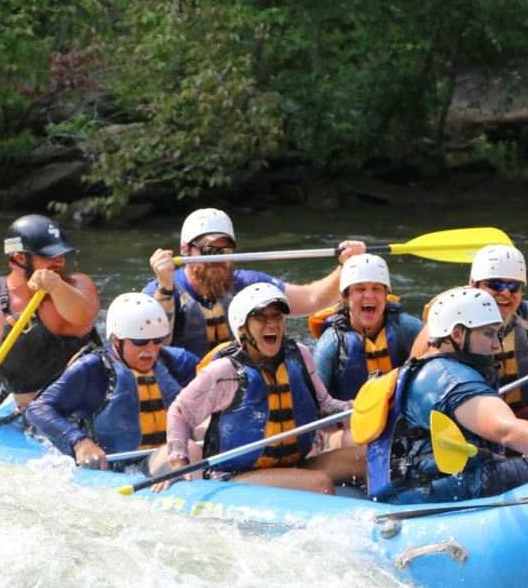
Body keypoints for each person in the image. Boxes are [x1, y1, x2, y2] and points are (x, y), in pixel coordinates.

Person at [357, 287, 528, 505]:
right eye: (489, 334)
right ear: (457, 335)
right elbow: (506, 431)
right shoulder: (449, 377)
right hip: (448, 490)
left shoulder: (428, 369)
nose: (496, 344)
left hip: (415, 493)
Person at [153, 283, 365, 495]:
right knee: (319, 483)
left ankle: (385, 518)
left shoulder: (300, 355)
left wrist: (363, 410)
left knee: (366, 458)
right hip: (234, 477)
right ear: (243, 329)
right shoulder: (224, 372)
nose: (271, 323)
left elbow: (326, 407)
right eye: (260, 317)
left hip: (295, 464)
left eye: (276, 316)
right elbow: (179, 412)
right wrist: (179, 463)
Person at [144, 207, 367, 358]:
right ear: (185, 250)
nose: (218, 258)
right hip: (186, 395)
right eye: (209, 250)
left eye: (225, 250)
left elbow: (310, 299)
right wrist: (164, 286)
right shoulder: (163, 289)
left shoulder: (246, 283)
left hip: (236, 386)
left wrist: (346, 266)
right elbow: (156, 347)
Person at [25, 293, 202, 473]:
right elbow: (38, 409)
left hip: (170, 456)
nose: (151, 349)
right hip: (118, 468)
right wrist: (80, 443)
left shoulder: (177, 361)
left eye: (157, 340)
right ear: (116, 340)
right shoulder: (93, 369)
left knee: (195, 441)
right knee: (186, 450)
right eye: (140, 341)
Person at [410, 244, 528, 419]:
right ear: (474, 285)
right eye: (496, 284)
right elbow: (415, 388)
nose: (506, 293)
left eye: (514, 286)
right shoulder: (442, 328)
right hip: (472, 428)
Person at [0, 214, 101, 409]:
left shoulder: (78, 285)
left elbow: (86, 315)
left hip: (81, 410)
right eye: (48, 255)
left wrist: (57, 287)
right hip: (26, 414)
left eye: (61, 254)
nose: (59, 262)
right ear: (19, 258)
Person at [310, 254, 424, 400]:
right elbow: (317, 402)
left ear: (386, 295)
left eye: (376, 289)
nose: (369, 296)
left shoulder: (409, 329)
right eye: (360, 289)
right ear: (346, 297)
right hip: (350, 419)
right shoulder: (331, 343)